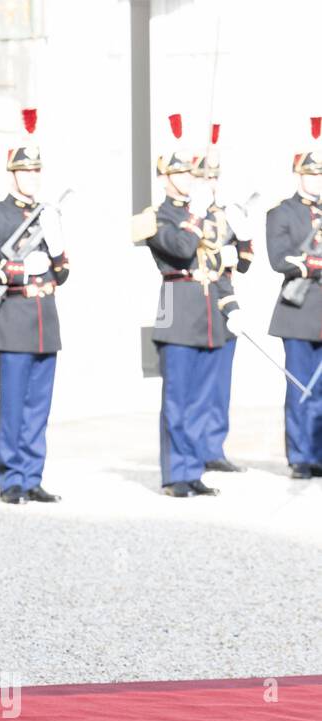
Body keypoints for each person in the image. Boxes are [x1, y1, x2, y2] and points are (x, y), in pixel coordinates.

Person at [0, 108, 68, 504]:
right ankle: (11, 479)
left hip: (46, 320)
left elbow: (62, 273)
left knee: (39, 409)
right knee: (12, 406)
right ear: (12, 173)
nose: (32, 178)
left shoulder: (48, 215)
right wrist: (21, 270)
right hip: (12, 318)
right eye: (26, 171)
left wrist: (57, 251)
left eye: (37, 171)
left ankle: (32, 475)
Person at [133, 113, 225, 497]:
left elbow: (221, 254)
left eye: (191, 173)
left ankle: (194, 469)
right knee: (177, 399)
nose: (189, 179)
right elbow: (183, 249)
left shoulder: (199, 212)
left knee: (202, 397)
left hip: (206, 310)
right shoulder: (156, 217)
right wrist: (198, 218)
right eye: (181, 174)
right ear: (166, 178)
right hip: (177, 305)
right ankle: (175, 474)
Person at [194, 126, 253, 474]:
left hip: (224, 300)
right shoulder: (187, 215)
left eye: (214, 178)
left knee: (219, 380)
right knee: (194, 380)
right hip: (191, 301)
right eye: (205, 178)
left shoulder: (227, 212)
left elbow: (244, 265)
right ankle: (191, 446)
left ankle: (213, 446)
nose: (211, 184)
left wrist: (242, 240)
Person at [266, 118, 322, 479]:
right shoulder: (282, 212)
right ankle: (302, 456)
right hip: (300, 312)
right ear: (298, 174)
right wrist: (313, 263)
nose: (316, 180)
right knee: (303, 387)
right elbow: (279, 258)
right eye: (311, 174)